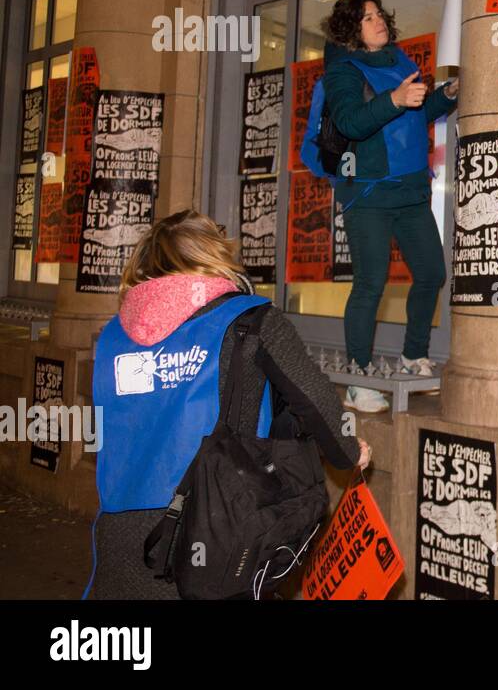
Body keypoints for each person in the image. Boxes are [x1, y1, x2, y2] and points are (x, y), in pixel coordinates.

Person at [90, 210, 368, 600]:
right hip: (213, 532)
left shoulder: (114, 335)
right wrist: (350, 451)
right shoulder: (250, 320)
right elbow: (316, 400)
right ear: (213, 255)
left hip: (121, 535)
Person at [322, 0, 459, 412]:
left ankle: (413, 356)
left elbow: (415, 114)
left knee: (431, 272)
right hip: (368, 192)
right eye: (367, 17)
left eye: (379, 13)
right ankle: (358, 378)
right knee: (370, 284)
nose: (378, 20)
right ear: (352, 30)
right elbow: (349, 122)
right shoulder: (344, 71)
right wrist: (394, 100)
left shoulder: (399, 61)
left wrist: (447, 95)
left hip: (411, 190)